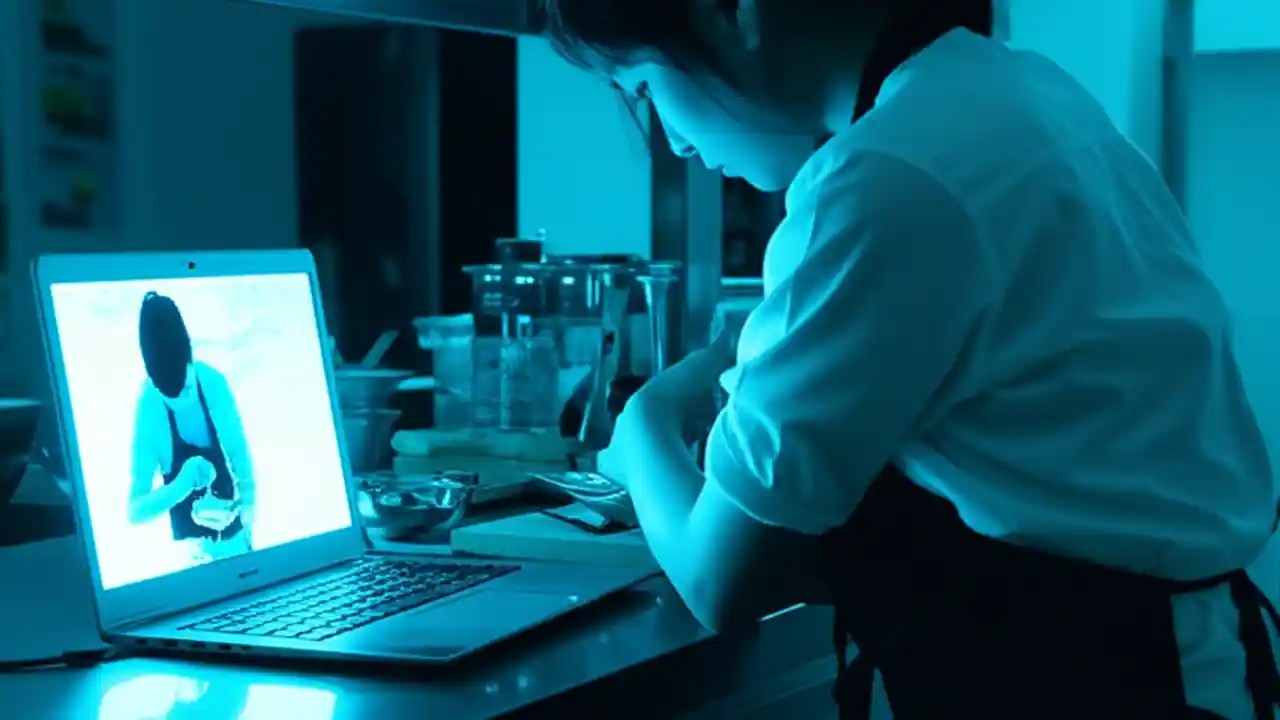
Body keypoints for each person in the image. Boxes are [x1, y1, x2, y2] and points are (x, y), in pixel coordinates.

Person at [548, 1, 1280, 718]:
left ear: (727, 13)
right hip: (1178, 661)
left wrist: (642, 423)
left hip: (1091, 681)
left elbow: (722, 578)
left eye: (641, 86)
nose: (671, 142)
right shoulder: (1014, 89)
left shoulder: (886, 174)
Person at [127, 292, 256, 565]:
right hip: (193, 559)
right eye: (169, 393)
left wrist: (246, 510)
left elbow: (240, 456)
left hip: (237, 542)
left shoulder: (212, 383)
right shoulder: (150, 407)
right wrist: (181, 485)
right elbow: (135, 511)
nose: (183, 398)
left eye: (185, 384)